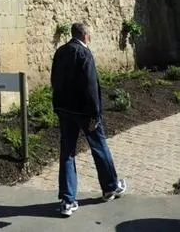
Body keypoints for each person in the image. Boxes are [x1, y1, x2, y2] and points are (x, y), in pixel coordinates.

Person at [50, 22, 126, 217]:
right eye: (89, 35)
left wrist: (57, 105)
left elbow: (54, 80)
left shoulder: (60, 51)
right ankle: (110, 186)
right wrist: (95, 114)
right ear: (85, 36)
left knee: (67, 153)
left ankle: (67, 201)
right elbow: (91, 86)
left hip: (65, 110)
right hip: (84, 112)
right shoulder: (85, 54)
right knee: (99, 147)